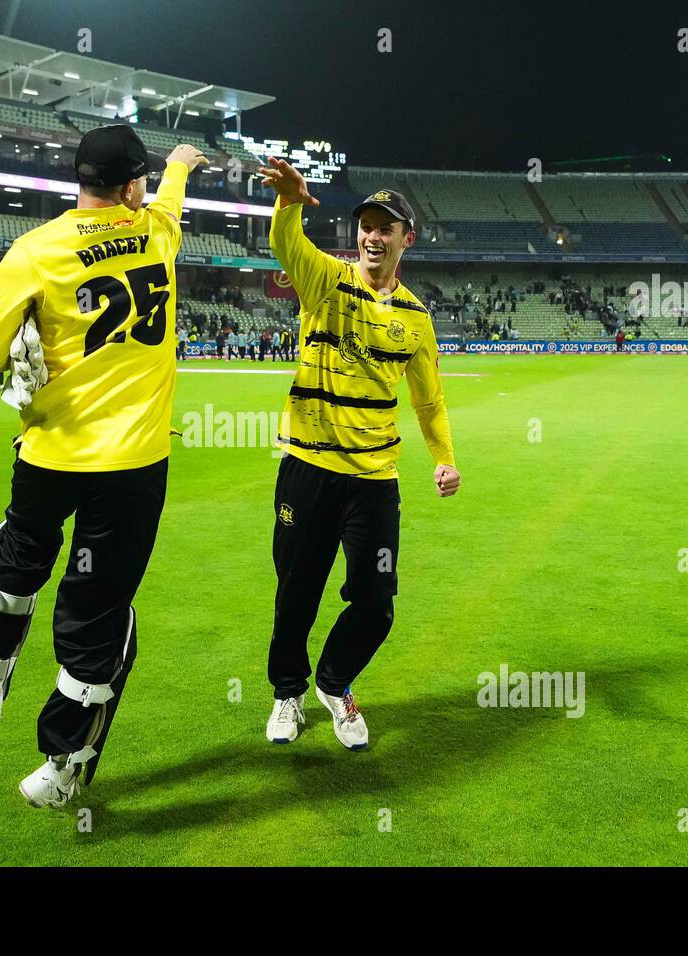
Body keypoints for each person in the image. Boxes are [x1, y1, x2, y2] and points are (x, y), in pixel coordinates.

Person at [0, 125, 208, 809]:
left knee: (19, 552)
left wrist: (14, 354)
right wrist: (182, 162)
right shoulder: (158, 234)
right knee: (95, 617)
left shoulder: (34, 252)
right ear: (132, 186)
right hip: (134, 465)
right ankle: (62, 765)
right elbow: (173, 197)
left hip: (52, 452)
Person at [258, 160, 460, 751]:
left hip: (374, 480)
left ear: (406, 239)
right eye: (365, 226)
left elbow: (429, 401)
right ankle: (286, 695)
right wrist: (290, 201)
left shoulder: (417, 318)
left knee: (375, 603)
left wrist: (444, 458)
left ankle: (334, 682)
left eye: (385, 228)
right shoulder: (324, 279)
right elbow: (283, 241)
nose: (372, 236)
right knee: (296, 591)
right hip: (308, 470)